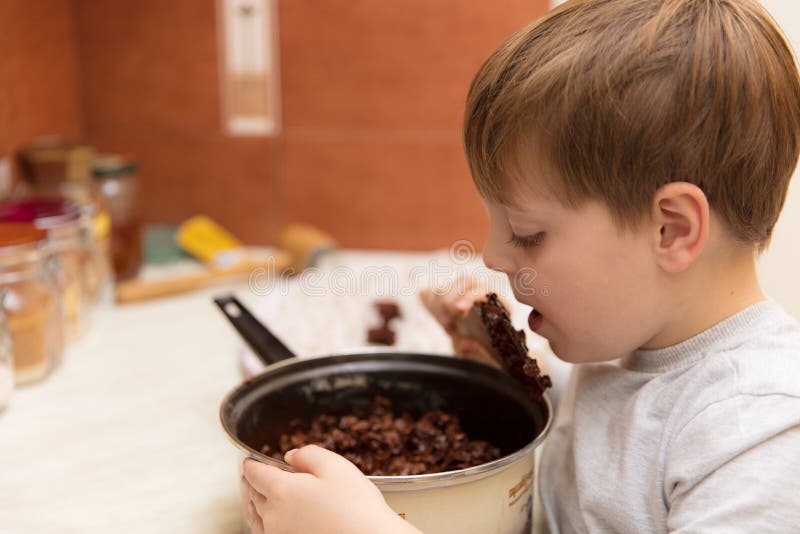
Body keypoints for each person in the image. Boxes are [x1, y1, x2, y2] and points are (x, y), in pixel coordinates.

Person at [240, 0, 800, 532]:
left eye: (528, 234)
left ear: (671, 229)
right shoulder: (635, 344)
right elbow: (613, 432)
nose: (493, 256)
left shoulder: (759, 436)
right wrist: (509, 371)